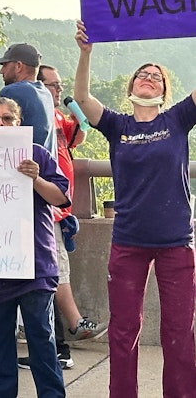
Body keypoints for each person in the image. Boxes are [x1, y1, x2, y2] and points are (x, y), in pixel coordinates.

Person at [74, 20, 196, 398]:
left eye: (156, 75)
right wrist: (85, 53)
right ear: (130, 88)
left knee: (179, 332)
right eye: (142, 74)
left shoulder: (176, 119)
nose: (148, 77)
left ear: (163, 90)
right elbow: (81, 98)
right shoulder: (116, 125)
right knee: (124, 331)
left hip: (176, 242)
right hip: (128, 242)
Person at [0, 97, 69, 398]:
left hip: (33, 263)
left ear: (19, 124)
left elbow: (61, 197)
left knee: (42, 340)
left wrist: (35, 178)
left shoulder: (35, 154)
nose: (0, 124)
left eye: (7, 118)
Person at [16, 66, 104, 373]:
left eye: (59, 86)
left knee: (55, 275)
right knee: (53, 276)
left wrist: (79, 117)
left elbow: (77, 136)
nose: (57, 90)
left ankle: (62, 342)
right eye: (52, 86)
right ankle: (68, 335)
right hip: (46, 212)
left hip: (61, 208)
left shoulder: (58, 119)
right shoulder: (36, 121)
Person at [0, 43, 57, 157]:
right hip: (46, 169)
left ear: (18, 66)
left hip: (24, 169)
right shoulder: (46, 93)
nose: (1, 71)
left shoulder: (12, 92)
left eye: (5, 65)